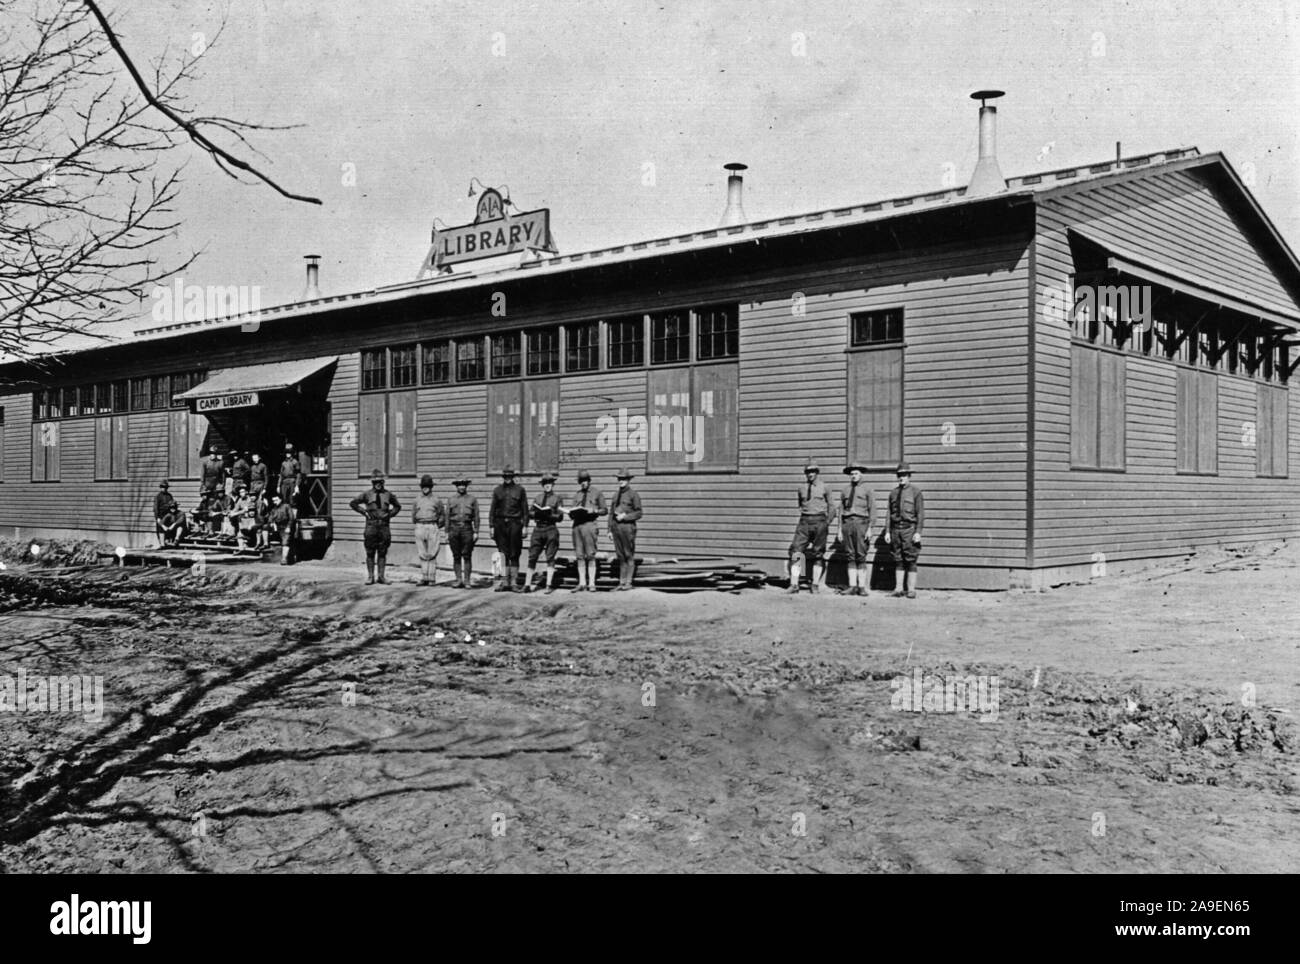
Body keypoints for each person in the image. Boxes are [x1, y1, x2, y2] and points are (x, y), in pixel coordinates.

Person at [789, 459, 835, 594]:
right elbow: (800, 505)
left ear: (817, 472)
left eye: (813, 471)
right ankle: (795, 584)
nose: (810, 474)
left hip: (820, 520)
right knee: (797, 551)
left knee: (818, 553)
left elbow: (832, 507)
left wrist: (827, 522)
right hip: (804, 521)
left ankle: (814, 584)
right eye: (808, 471)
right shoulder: (801, 488)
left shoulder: (825, 487)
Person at [350, 469, 401, 585]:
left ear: (383, 482)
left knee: (382, 552)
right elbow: (353, 503)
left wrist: (389, 515)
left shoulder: (388, 495)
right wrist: (364, 512)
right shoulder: (367, 494)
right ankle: (370, 577)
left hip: (384, 527)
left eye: (380, 481)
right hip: (371, 527)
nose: (378, 484)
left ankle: (381, 577)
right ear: (372, 483)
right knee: (370, 552)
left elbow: (398, 507)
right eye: (375, 482)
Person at [885, 461, 925, 599]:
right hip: (896, 529)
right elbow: (889, 513)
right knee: (898, 559)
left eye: (904, 475)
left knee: (911, 559)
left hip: (909, 529)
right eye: (899, 475)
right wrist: (887, 532)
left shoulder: (916, 492)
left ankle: (911, 589)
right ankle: (898, 588)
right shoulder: (893, 493)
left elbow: (920, 513)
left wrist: (918, 532)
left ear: (909, 476)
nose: (902, 478)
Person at [564, 469, 606, 593]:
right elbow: (572, 512)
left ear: (589, 481)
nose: (583, 483)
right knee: (579, 555)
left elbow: (604, 510)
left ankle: (592, 583)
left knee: (590, 555)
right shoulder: (577, 495)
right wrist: (571, 512)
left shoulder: (597, 493)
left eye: (585, 481)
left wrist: (595, 511)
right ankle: (582, 583)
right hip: (577, 526)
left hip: (589, 525)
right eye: (581, 481)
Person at [839, 459, 875, 596]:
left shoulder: (867, 490)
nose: (854, 476)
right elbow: (840, 511)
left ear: (861, 475)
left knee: (861, 555)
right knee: (850, 555)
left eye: (856, 473)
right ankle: (852, 586)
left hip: (861, 524)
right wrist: (839, 530)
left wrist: (870, 528)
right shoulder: (845, 490)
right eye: (852, 473)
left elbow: (873, 510)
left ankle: (861, 587)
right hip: (848, 524)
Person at [523, 473, 564, 594]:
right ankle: (527, 584)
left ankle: (549, 585)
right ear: (542, 485)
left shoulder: (557, 498)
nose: (548, 486)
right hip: (538, 529)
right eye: (545, 483)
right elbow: (529, 513)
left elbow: (560, 516)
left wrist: (550, 515)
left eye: (550, 483)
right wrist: (537, 514)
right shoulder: (538, 498)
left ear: (553, 484)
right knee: (532, 556)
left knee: (550, 556)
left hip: (551, 528)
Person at [489, 466, 527, 592]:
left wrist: (525, 526)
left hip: (515, 524)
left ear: (513, 477)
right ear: (503, 477)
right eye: (505, 476)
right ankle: (504, 582)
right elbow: (492, 510)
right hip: (500, 524)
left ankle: (514, 582)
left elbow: (525, 511)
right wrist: (491, 526)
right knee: (501, 553)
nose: (508, 478)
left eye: (510, 476)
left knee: (514, 553)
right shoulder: (497, 490)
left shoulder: (520, 490)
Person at [609, 468, 642, 590]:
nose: (621, 481)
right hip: (616, 528)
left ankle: (628, 583)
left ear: (628, 480)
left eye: (623, 479)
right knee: (620, 556)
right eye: (619, 479)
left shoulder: (633, 495)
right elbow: (611, 514)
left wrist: (626, 516)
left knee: (628, 555)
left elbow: (639, 513)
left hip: (628, 528)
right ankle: (621, 583)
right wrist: (609, 530)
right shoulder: (616, 495)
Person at [445, 474, 479, 588]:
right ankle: (458, 579)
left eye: (463, 485)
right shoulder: (451, 499)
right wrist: (446, 532)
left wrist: (476, 531)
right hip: (454, 529)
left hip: (467, 529)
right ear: (456, 486)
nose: (461, 487)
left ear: (466, 486)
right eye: (459, 485)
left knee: (467, 555)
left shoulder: (472, 499)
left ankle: (467, 580)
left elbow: (476, 516)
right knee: (456, 555)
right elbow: (447, 516)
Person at [411, 474, 446, 586]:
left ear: (431, 487)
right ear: (421, 487)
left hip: (432, 526)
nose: (425, 488)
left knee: (432, 553)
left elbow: (442, 515)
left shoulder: (436, 500)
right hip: (420, 526)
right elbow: (413, 515)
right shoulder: (417, 500)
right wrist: (418, 524)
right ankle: (424, 577)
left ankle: (431, 578)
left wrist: (436, 526)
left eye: (428, 486)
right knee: (422, 553)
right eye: (423, 486)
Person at [153, 480, 184, 547]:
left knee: (169, 529)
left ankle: (168, 542)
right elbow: (155, 508)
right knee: (161, 529)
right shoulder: (158, 497)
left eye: (165, 487)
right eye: (163, 487)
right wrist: (157, 517)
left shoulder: (169, 496)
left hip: (169, 514)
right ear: (160, 487)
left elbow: (172, 504)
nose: (164, 488)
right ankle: (161, 544)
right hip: (161, 515)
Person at [268, 493, 294, 565]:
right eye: (273, 501)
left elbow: (291, 518)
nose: (275, 502)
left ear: (280, 499)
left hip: (286, 526)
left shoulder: (286, 506)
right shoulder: (274, 509)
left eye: (276, 500)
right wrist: (272, 523)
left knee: (285, 541)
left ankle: (284, 558)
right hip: (278, 527)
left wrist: (288, 527)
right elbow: (270, 518)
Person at [229, 484, 257, 549]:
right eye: (240, 492)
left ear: (246, 492)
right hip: (242, 517)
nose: (241, 494)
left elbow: (246, 510)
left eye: (242, 492)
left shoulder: (249, 499)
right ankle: (233, 533)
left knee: (239, 517)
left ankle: (244, 537)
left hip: (250, 516)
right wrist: (231, 512)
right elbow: (236, 508)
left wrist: (235, 514)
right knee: (232, 517)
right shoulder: (240, 499)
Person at [278, 443, 301, 511]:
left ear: (292, 453)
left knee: (292, 500)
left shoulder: (295, 462)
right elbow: (281, 475)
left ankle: (293, 519)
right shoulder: (283, 463)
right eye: (286, 452)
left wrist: (297, 486)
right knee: (284, 500)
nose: (288, 454)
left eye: (289, 452)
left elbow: (298, 475)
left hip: (292, 482)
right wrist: (278, 485)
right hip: (284, 482)